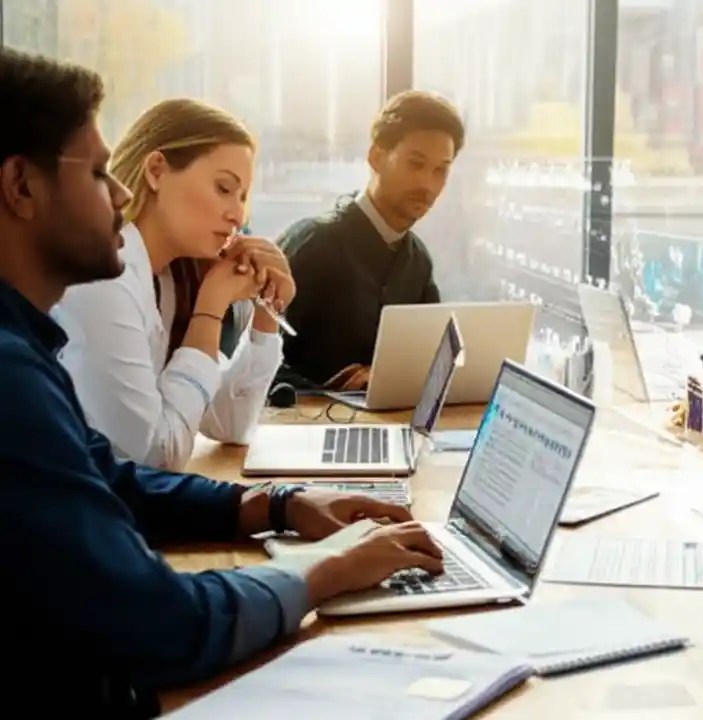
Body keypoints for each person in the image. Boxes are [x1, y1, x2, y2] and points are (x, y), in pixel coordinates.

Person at [0, 48, 444, 716]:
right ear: (20, 187)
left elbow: (114, 476)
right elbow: (165, 623)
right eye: (96, 173)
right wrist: (327, 568)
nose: (118, 193)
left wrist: (277, 505)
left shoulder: (31, 345)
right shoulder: (12, 372)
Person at [54, 98, 291, 471]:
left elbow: (229, 425)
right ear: (157, 170)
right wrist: (210, 309)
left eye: (243, 197)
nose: (238, 214)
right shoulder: (103, 281)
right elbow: (155, 458)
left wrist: (267, 314)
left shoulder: (167, 279)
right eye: (224, 188)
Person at [278, 90, 464, 391]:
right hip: (304, 428)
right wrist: (329, 389)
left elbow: (432, 359)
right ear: (376, 157)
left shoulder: (418, 260)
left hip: (387, 425)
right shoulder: (314, 243)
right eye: (416, 164)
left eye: (440, 170)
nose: (427, 184)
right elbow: (249, 361)